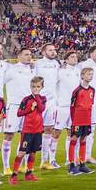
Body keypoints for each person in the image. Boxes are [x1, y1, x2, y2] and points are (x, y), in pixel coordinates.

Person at [2, 47, 35, 173]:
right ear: (19, 56)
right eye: (26, 54)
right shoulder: (12, 69)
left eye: (30, 54)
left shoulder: (32, 70)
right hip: (15, 106)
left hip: (29, 107)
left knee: (25, 136)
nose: (29, 57)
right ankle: (6, 167)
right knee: (9, 135)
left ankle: (21, 165)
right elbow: (1, 82)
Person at [10, 78, 47, 184]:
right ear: (30, 87)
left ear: (42, 87)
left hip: (38, 129)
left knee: (33, 153)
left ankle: (29, 173)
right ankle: (14, 175)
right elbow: (19, 113)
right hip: (27, 130)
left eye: (38, 87)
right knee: (21, 152)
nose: (35, 89)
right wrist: (29, 109)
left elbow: (41, 109)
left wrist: (37, 98)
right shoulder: (26, 99)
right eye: (33, 87)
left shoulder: (43, 98)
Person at [34, 43, 62, 171]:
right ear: (44, 52)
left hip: (52, 102)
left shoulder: (57, 64)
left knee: (48, 130)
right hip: (39, 101)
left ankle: (45, 161)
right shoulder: (37, 64)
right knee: (31, 131)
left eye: (54, 50)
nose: (53, 52)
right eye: (50, 50)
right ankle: (25, 163)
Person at [53, 50, 81, 168]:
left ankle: (70, 159)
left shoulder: (79, 72)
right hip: (62, 106)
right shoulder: (60, 72)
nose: (75, 58)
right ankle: (51, 159)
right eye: (72, 57)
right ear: (66, 59)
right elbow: (53, 86)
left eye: (76, 56)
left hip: (74, 107)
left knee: (72, 133)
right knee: (56, 133)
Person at [67, 66, 96, 176]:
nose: (90, 76)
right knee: (74, 140)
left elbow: (90, 105)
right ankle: (71, 166)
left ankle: (82, 165)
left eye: (92, 74)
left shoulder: (92, 90)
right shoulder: (77, 91)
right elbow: (72, 107)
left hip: (87, 119)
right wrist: (74, 121)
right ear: (82, 76)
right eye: (88, 74)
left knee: (84, 140)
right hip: (77, 120)